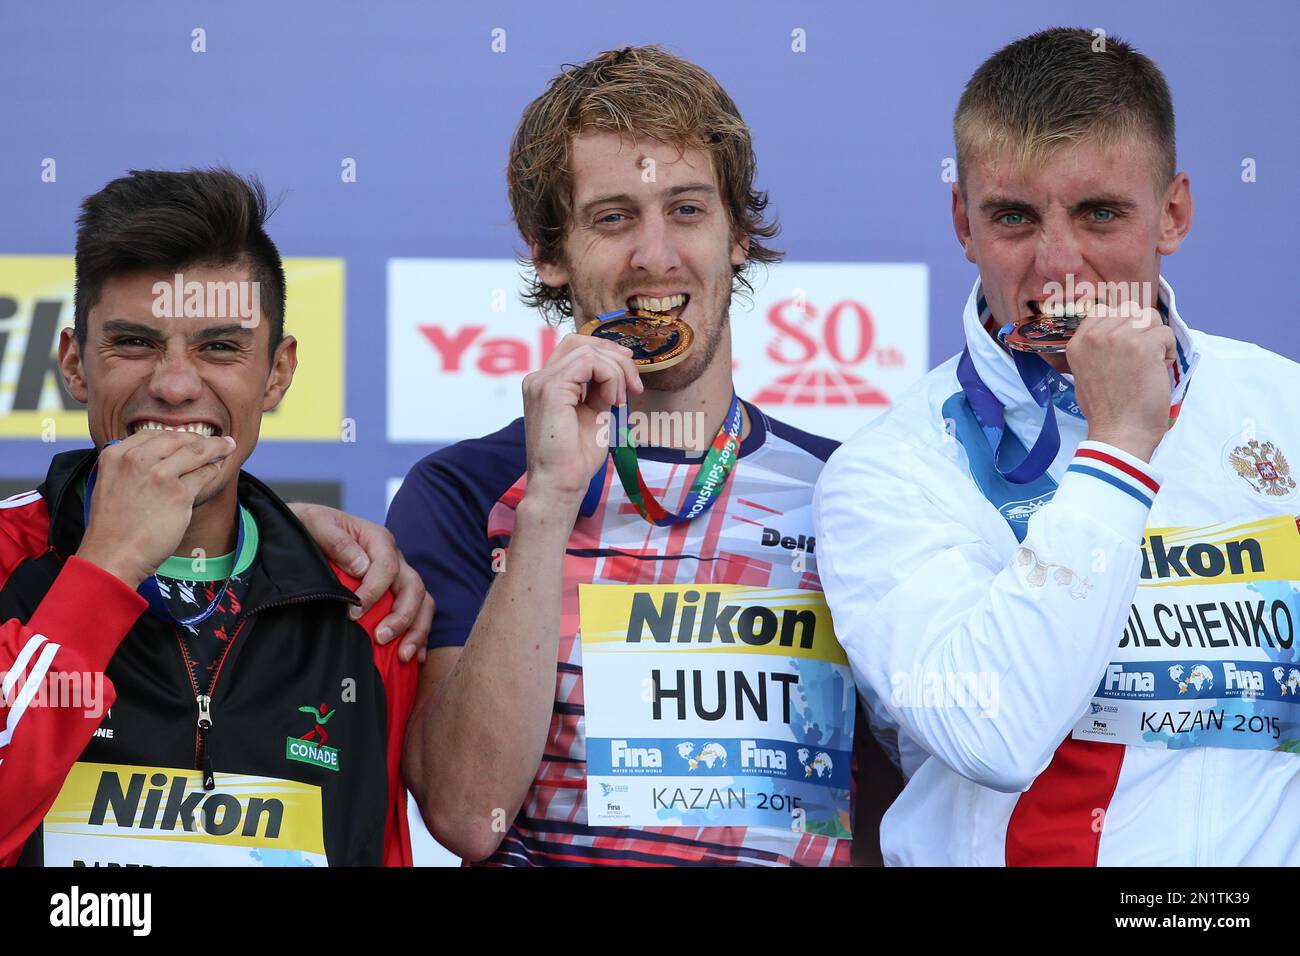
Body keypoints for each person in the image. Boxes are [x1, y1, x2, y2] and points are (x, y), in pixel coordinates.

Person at [392, 46, 898, 866]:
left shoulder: (849, 493)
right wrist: (551, 501)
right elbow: (466, 814)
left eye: (689, 210)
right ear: (550, 255)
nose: (655, 256)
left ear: (738, 235)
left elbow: (891, 819)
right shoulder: (463, 491)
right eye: (613, 217)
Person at [815, 27, 1300, 865]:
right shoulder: (889, 469)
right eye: (1014, 217)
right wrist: (1117, 447)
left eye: (1099, 213)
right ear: (963, 223)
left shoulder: (1283, 408)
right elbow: (991, 729)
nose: (1058, 266)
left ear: (1174, 212)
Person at [0, 168, 423, 866]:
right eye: (134, 343)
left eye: (220, 346)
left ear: (278, 372)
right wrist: (105, 569)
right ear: (76, 365)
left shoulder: (361, 604)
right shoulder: (10, 562)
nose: (173, 384)